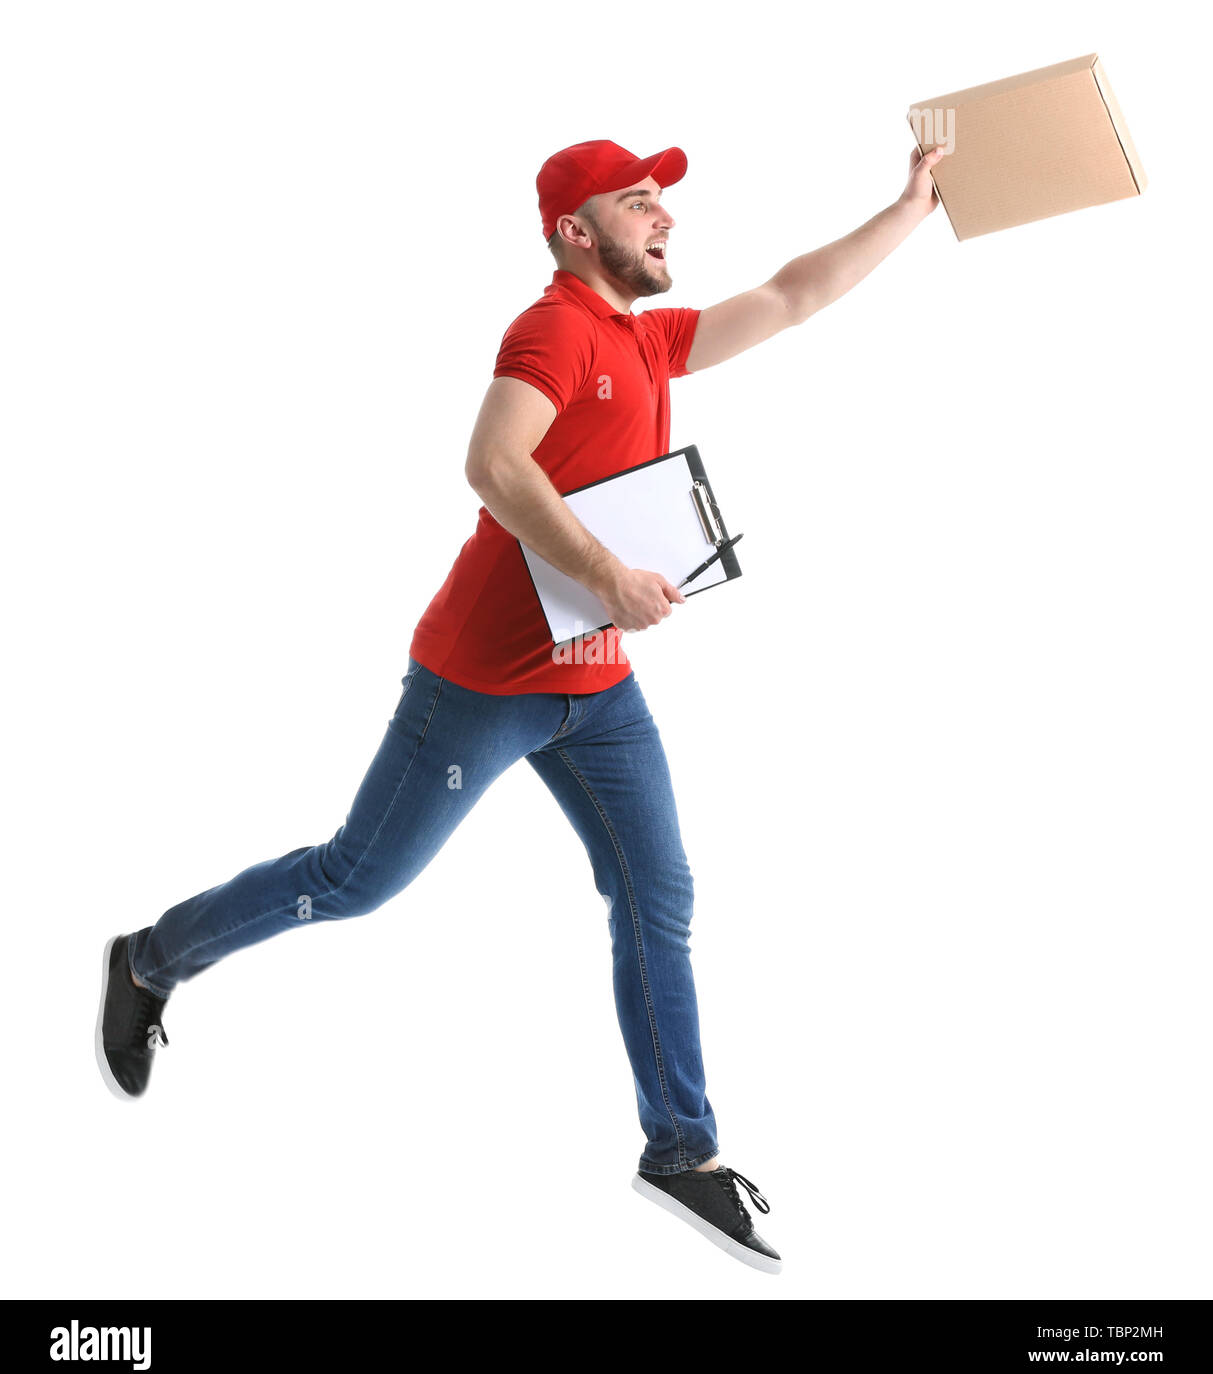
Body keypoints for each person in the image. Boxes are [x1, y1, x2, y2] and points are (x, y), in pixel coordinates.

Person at [96, 137, 946, 1274]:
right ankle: (150, 960)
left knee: (657, 896)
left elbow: (793, 295)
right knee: (355, 881)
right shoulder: (552, 331)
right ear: (574, 234)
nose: (665, 220)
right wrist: (606, 577)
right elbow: (495, 464)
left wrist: (910, 208)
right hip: (483, 685)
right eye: (637, 203)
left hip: (596, 692)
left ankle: (680, 1151)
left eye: (664, 202)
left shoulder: (648, 336)